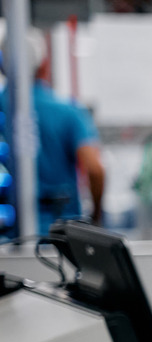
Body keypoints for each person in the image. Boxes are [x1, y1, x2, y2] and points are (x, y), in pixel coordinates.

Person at [0, 26, 104, 232]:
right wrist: (97, 215)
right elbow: (94, 168)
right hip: (61, 231)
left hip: (13, 232)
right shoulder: (67, 112)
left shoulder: (4, 108)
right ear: (45, 65)